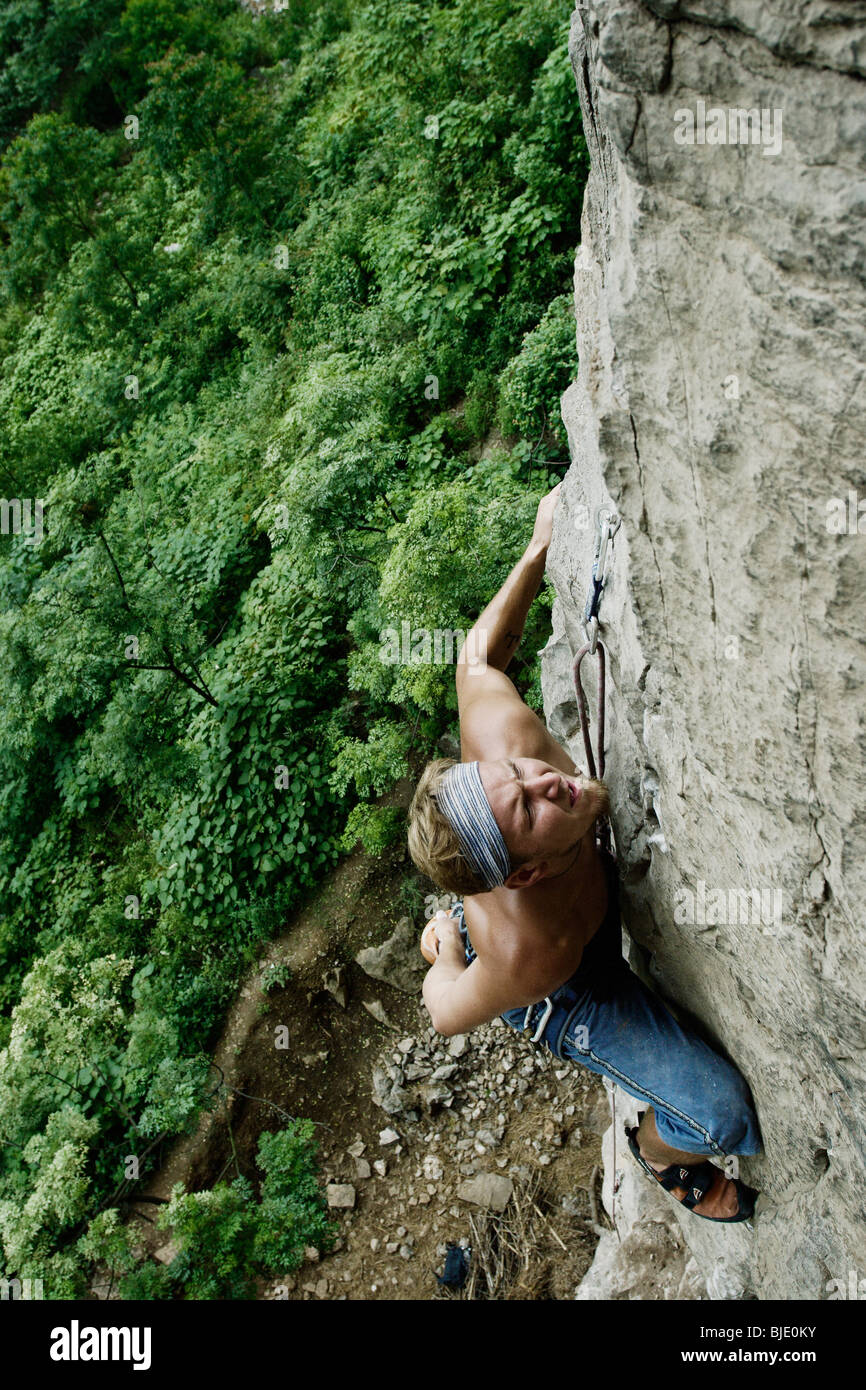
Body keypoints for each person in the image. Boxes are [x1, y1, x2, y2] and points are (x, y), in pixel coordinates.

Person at [407, 484, 762, 1223]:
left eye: (519, 778)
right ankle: (659, 1154)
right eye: (530, 808)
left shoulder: (508, 745)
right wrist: (445, 949)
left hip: (550, 898)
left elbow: (476, 655)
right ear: (528, 871)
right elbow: (444, 1014)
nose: (549, 783)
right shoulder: (524, 954)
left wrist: (539, 546)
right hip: (571, 990)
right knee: (721, 1118)